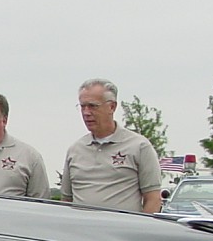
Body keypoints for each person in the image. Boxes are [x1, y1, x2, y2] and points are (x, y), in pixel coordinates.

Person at [60, 79, 163, 213]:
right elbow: (66, 200)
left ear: (112, 107)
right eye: (82, 106)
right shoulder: (75, 150)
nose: (86, 112)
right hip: (82, 231)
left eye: (92, 106)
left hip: (122, 231)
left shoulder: (139, 146)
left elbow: (153, 199)